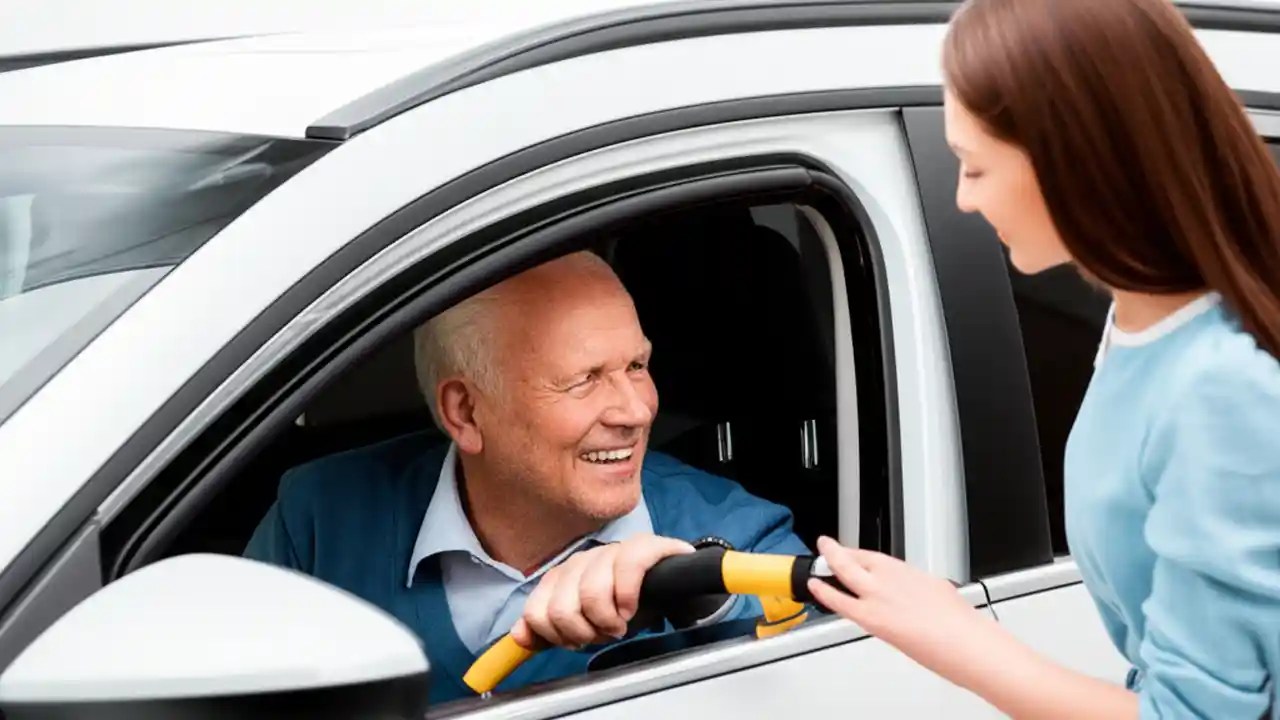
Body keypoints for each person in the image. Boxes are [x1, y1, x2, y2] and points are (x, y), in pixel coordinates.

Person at [808, 0, 1280, 717]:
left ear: (1077, 165)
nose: (961, 199)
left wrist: (960, 640)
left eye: (973, 167)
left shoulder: (1221, 388)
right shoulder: (1139, 323)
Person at [244, 250, 808, 702]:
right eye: (584, 380)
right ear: (465, 412)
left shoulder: (737, 531)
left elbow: (838, 659)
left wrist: (696, 590)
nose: (636, 411)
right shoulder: (319, 521)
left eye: (637, 366)